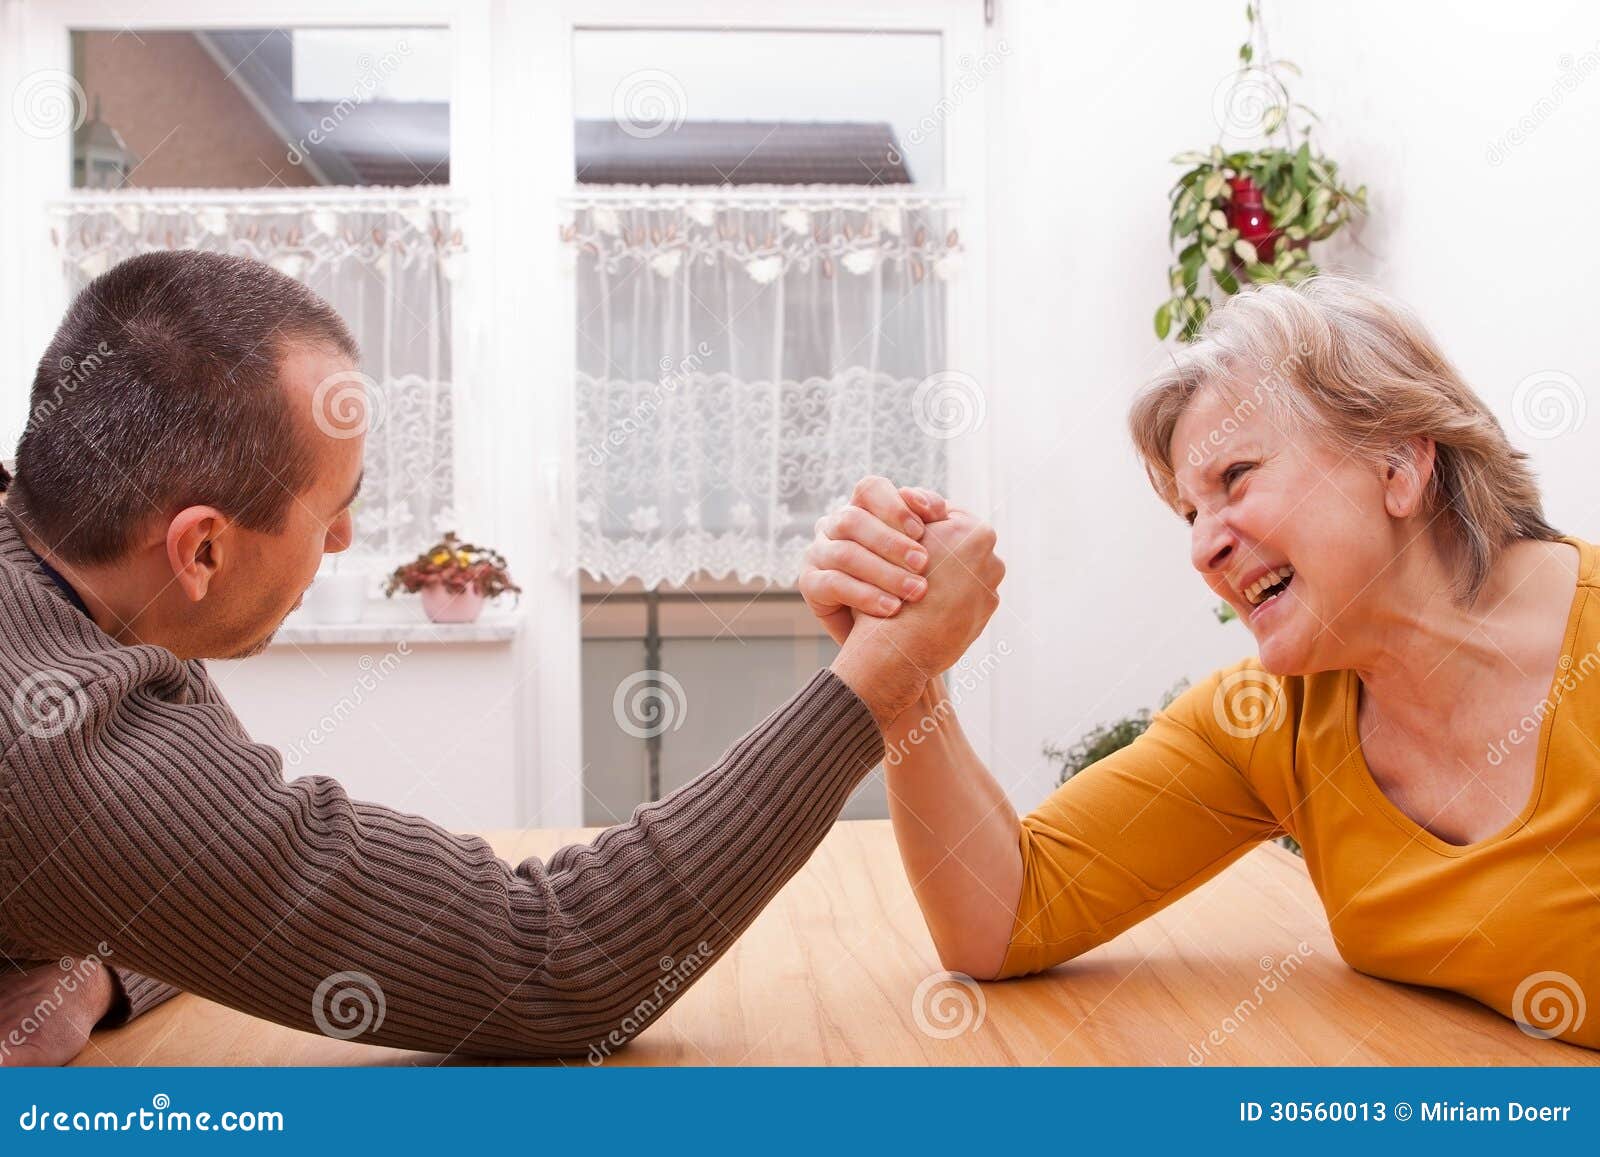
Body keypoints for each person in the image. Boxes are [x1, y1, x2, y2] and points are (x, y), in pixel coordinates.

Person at [0, 250, 1005, 1065]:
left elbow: (167, 891)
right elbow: (547, 964)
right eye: (333, 509)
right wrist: (879, 678)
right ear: (202, 548)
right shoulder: (67, 740)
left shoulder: (74, 583)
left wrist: (88, 959)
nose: (345, 542)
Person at [801, 275, 1600, 1050]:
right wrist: (906, 672)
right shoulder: (1268, 719)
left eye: (1236, 478)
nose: (1202, 547)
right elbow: (1002, 917)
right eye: (1190, 511)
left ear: (1398, 463)